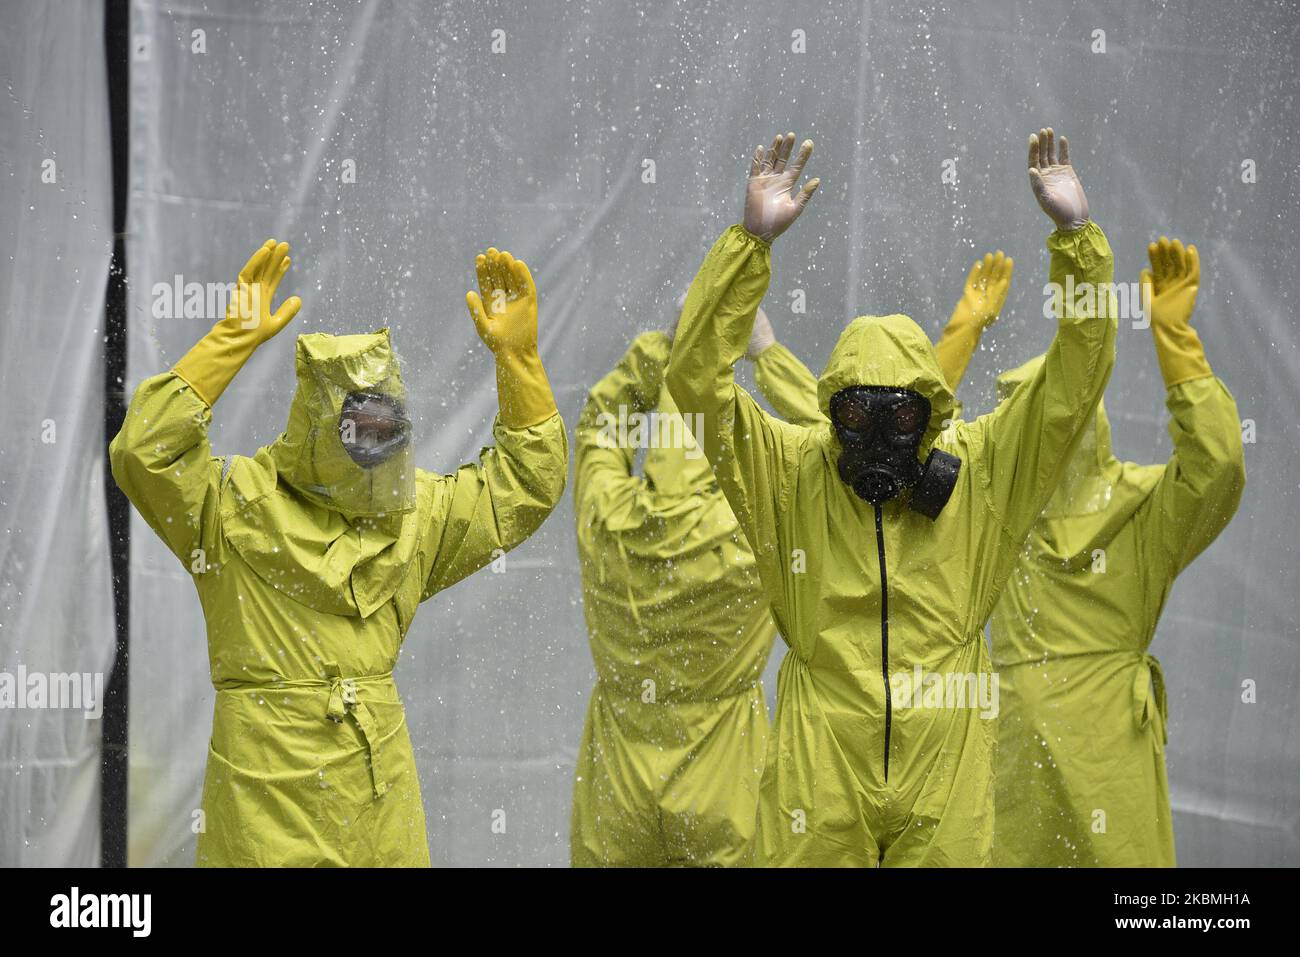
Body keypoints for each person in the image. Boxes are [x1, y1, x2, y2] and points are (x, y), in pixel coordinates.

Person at [666, 127, 1117, 866]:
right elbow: (695, 386)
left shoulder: (981, 469)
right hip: (822, 754)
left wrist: (1077, 236)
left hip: (946, 756)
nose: (876, 436)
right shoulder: (792, 468)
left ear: (931, 416)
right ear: (832, 411)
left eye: (902, 416)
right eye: (855, 415)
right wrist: (749, 247)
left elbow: (1077, 378)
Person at [110, 240, 568, 866]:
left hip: (355, 799)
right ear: (325, 430)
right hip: (278, 802)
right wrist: (231, 338)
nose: (374, 445)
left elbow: (523, 486)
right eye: (361, 429)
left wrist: (521, 358)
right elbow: (143, 451)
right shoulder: (235, 504)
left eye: (388, 430)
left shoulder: (398, 515)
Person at [936, 235, 1246, 866]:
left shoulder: (1001, 510)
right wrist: (1174, 341)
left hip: (1055, 756)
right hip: (1077, 758)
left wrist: (960, 338)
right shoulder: (1023, 509)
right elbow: (1217, 464)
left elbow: (918, 455)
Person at [570, 302, 824, 867]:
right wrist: (765, 352)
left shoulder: (608, 517)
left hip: (618, 779)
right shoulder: (751, 526)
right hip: (724, 776)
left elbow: (599, 424)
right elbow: (829, 452)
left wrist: (667, 347)